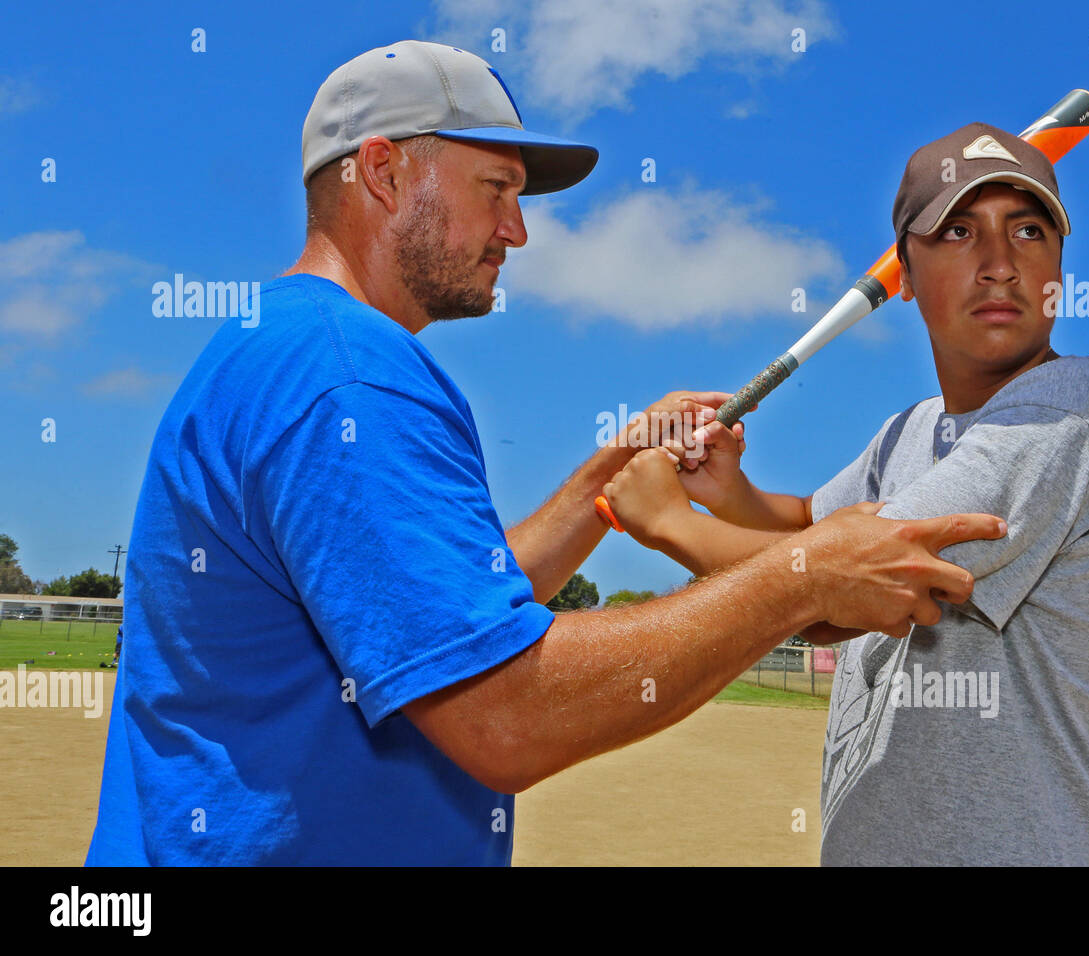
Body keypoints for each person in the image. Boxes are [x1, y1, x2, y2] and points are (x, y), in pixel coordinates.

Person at [83, 41, 1006, 866]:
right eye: (496, 190)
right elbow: (502, 711)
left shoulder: (282, 344)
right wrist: (801, 577)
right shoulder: (352, 376)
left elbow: (433, 618)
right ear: (383, 171)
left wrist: (599, 492)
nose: (517, 231)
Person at [603, 121, 1089, 865]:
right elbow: (807, 527)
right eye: (958, 231)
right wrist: (729, 492)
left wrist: (669, 522)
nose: (1000, 264)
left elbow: (842, 590)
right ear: (905, 272)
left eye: (1028, 232)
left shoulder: (1072, 407)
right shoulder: (909, 432)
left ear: (1060, 264)